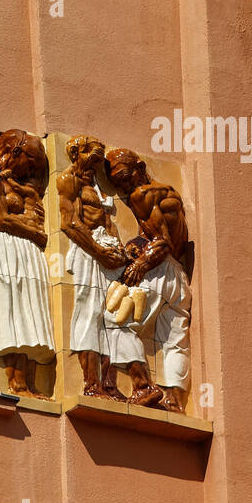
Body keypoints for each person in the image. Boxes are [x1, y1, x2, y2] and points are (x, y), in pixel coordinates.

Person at [105, 148, 193, 412]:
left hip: (158, 270)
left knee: (116, 322)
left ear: (140, 167)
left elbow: (161, 241)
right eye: (118, 183)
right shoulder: (169, 192)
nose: (125, 185)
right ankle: (174, 401)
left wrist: (141, 263)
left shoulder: (140, 195)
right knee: (174, 339)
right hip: (179, 276)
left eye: (125, 176)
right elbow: (167, 237)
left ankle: (143, 386)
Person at [0, 129, 54, 397]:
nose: (33, 168)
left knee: (30, 316)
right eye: (31, 160)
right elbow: (2, 219)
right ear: (15, 152)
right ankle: (17, 384)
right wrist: (35, 232)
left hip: (27, 252)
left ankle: (30, 382)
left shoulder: (23, 184)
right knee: (13, 313)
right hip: (4, 248)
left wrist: (33, 232)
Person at [58, 135, 128, 399]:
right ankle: (90, 384)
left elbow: (107, 221)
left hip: (106, 252)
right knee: (88, 313)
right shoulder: (69, 180)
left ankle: (108, 382)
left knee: (110, 315)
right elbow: (69, 223)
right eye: (92, 158)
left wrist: (118, 252)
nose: (96, 165)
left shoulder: (95, 184)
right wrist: (100, 253)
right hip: (89, 253)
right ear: (77, 153)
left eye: (99, 161)